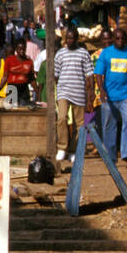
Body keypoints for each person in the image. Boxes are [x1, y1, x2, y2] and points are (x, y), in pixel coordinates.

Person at [94, 27, 127, 169]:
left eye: (122, 38)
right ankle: (111, 157)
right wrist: (102, 90)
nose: (120, 41)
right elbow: (98, 73)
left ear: (126, 39)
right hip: (109, 97)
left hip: (126, 96)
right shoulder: (106, 53)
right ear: (113, 39)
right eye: (117, 38)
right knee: (109, 126)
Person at [53, 26, 94, 162]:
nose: (70, 40)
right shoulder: (60, 54)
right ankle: (62, 147)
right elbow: (56, 75)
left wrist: (90, 95)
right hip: (64, 91)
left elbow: (89, 76)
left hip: (79, 92)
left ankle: (74, 149)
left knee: (79, 125)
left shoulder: (83, 53)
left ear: (76, 39)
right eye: (68, 38)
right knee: (62, 118)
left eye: (72, 38)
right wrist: (60, 87)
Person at [2, 38, 38, 106]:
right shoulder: (9, 60)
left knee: (24, 109)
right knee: (11, 110)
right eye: (19, 49)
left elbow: (32, 79)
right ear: (16, 49)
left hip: (24, 88)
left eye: (23, 49)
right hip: (12, 88)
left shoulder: (29, 62)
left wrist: (37, 92)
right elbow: (5, 77)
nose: (22, 51)